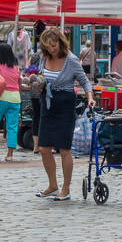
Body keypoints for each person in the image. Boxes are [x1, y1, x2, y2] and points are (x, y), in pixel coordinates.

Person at [31, 27, 94, 200]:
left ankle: (65, 189)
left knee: (64, 149)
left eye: (54, 45)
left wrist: (90, 97)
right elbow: (41, 77)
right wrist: (37, 82)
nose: (52, 49)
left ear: (60, 42)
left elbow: (84, 81)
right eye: (48, 46)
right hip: (48, 103)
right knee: (44, 148)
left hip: (65, 104)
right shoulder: (44, 58)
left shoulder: (71, 60)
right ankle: (52, 184)